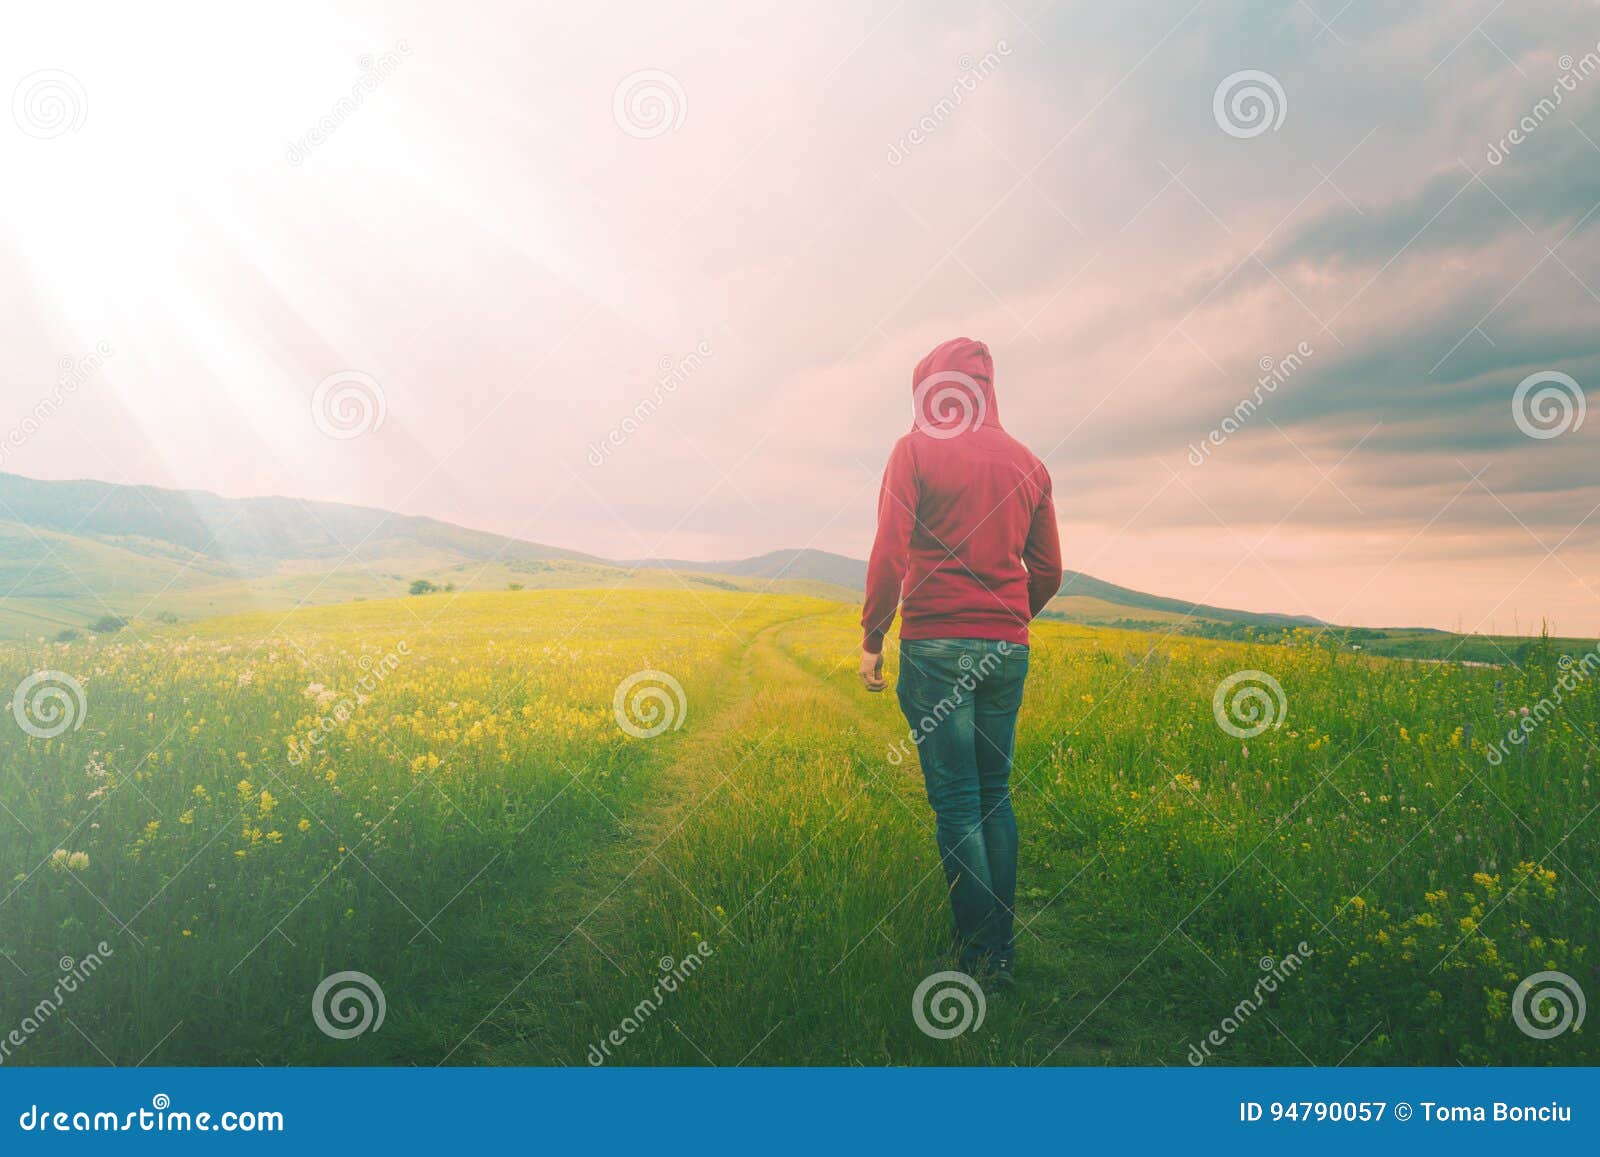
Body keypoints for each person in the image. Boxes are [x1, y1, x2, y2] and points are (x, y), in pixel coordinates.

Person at [858, 336, 1062, 988]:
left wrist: (873, 635)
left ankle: (978, 958)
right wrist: (1008, 617)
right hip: (1008, 648)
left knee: (955, 801)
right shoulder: (1029, 463)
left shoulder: (914, 449)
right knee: (994, 796)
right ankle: (1000, 950)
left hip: (936, 647)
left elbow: (890, 549)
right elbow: (1050, 569)